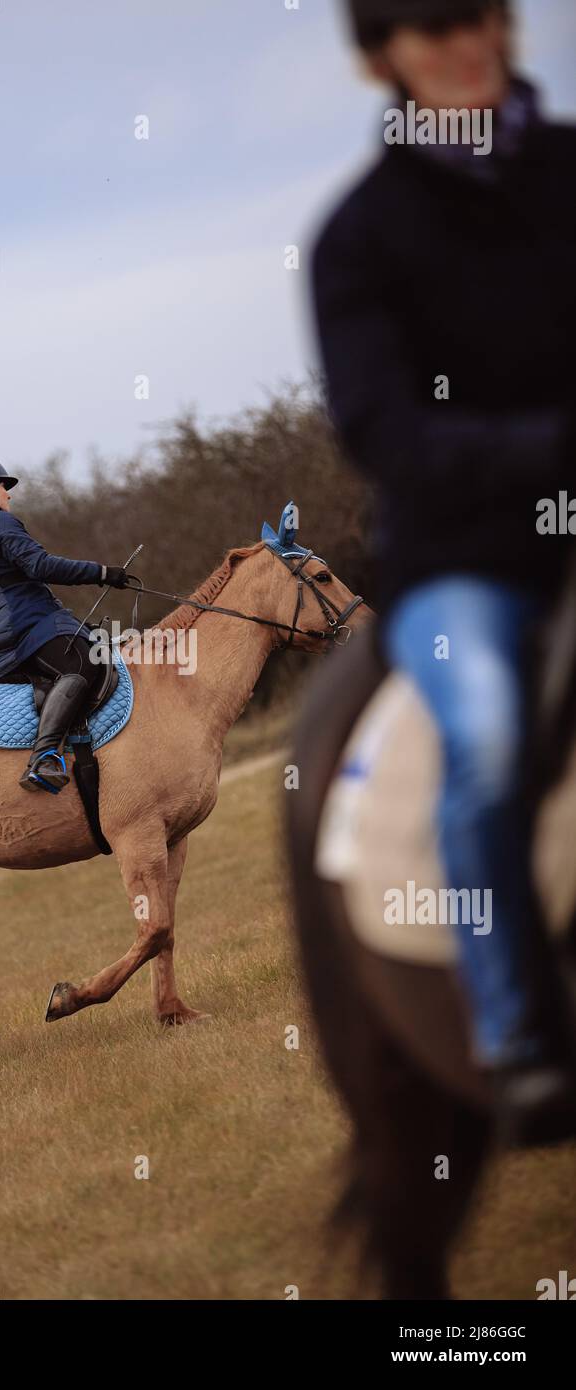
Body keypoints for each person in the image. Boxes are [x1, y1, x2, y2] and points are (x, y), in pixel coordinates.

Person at [313, 0, 576, 1143]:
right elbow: (387, 435)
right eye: (428, 28)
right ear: (384, 58)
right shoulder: (358, 238)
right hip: (466, 559)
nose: (462, 43)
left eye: (474, 13)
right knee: (481, 737)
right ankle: (517, 1033)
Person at [0, 454, 129, 793]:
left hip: (19, 628)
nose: (10, 494)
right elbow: (41, 565)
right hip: (30, 626)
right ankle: (44, 756)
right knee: (82, 664)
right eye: (5, 487)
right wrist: (101, 573)